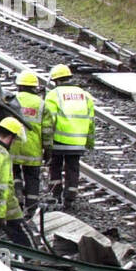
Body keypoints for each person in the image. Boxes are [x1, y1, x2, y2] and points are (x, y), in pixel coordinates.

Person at [42, 63, 95, 210]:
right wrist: (89, 142)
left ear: (56, 81)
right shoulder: (85, 95)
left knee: (55, 167)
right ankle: (70, 198)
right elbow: (91, 122)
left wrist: (46, 143)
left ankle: (55, 195)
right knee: (73, 168)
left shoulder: (53, 95)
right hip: (78, 141)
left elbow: (48, 121)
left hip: (59, 140)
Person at [11, 69, 44, 214]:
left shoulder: (12, 100)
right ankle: (31, 207)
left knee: (14, 172)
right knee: (32, 177)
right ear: (34, 87)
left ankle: (17, 195)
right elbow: (48, 129)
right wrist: (48, 149)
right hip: (33, 148)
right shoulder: (41, 104)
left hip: (14, 146)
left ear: (19, 86)